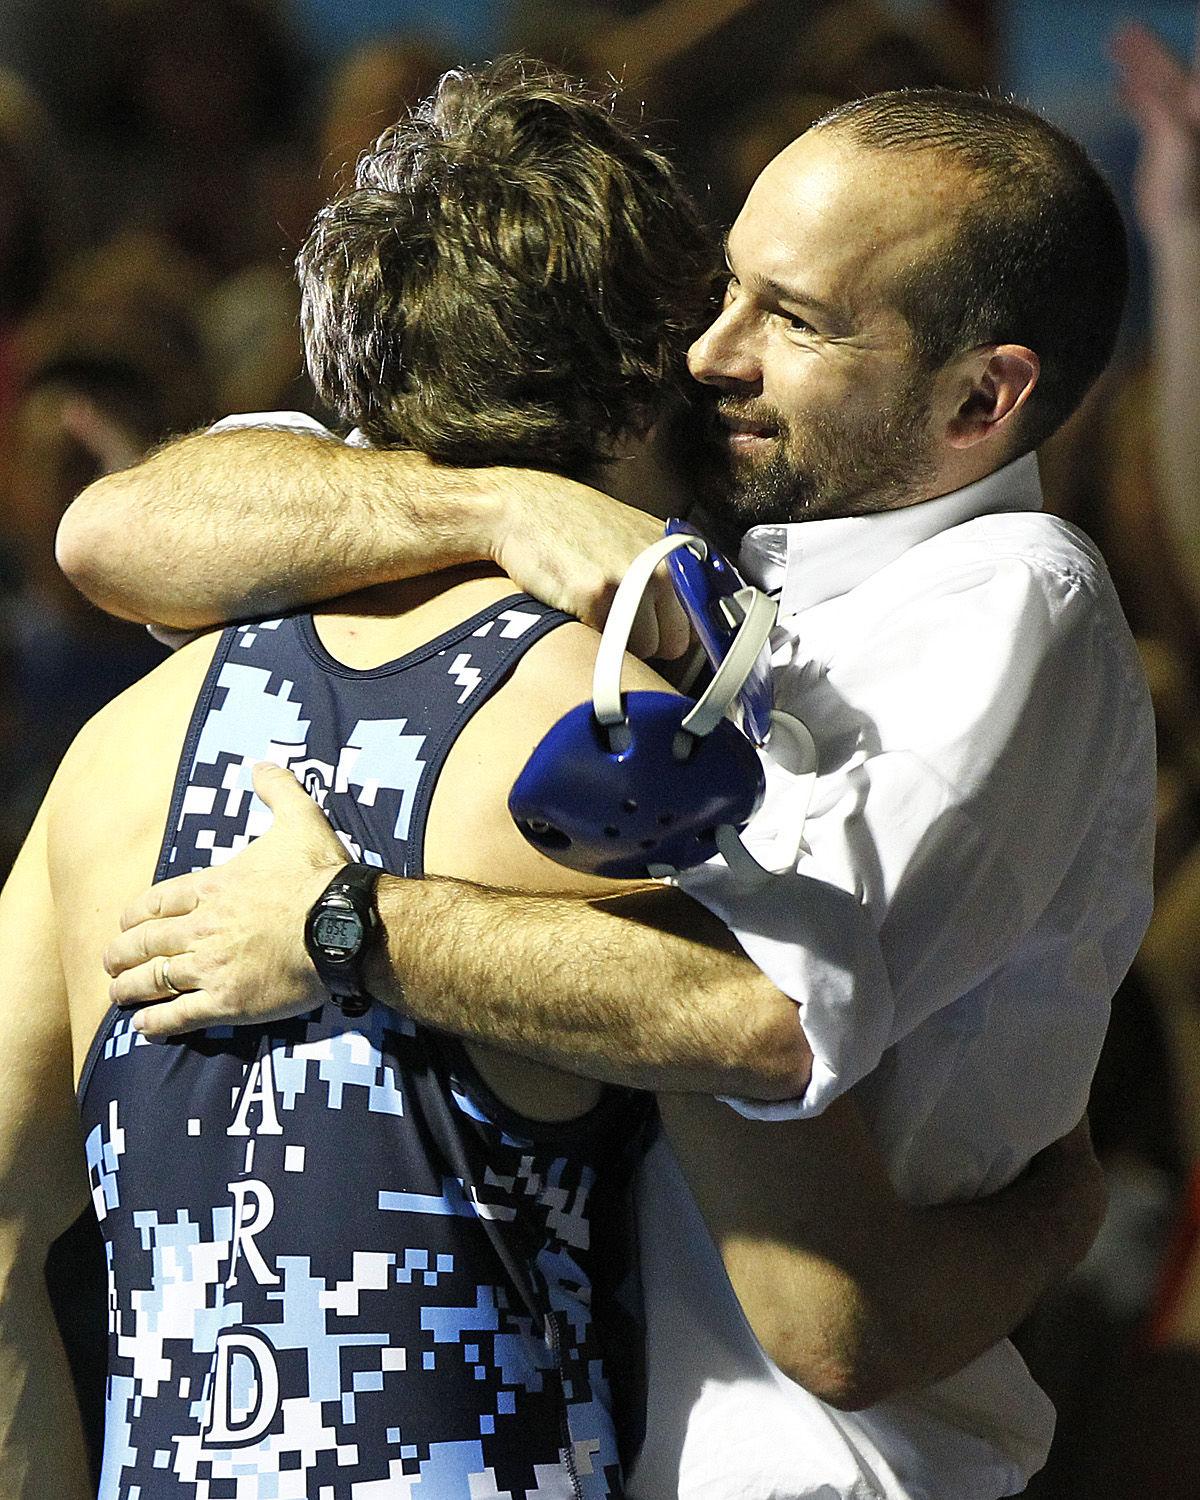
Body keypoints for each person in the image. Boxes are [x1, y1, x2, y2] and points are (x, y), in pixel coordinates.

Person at [0, 67, 1101, 1500]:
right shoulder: (629, 740)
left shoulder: (121, 753)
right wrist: (1061, 1208)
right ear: (658, 369)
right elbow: (829, 1303)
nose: (728, 355)